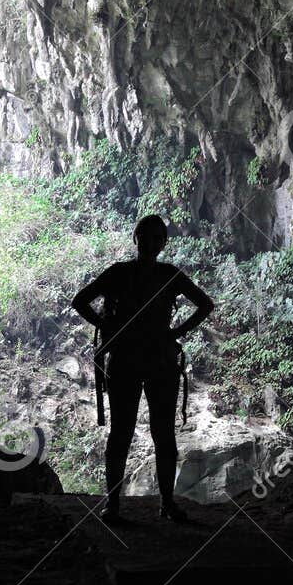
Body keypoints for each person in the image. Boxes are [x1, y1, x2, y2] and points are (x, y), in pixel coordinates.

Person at [72, 214, 213, 523]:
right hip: (145, 360)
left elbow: (206, 304)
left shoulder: (129, 274)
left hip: (138, 359)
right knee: (129, 433)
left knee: (154, 434)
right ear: (136, 238)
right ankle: (136, 504)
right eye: (147, 237)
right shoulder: (162, 275)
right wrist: (172, 334)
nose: (151, 243)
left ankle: (140, 504)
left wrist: (108, 327)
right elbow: (204, 305)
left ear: (162, 242)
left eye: (156, 238)